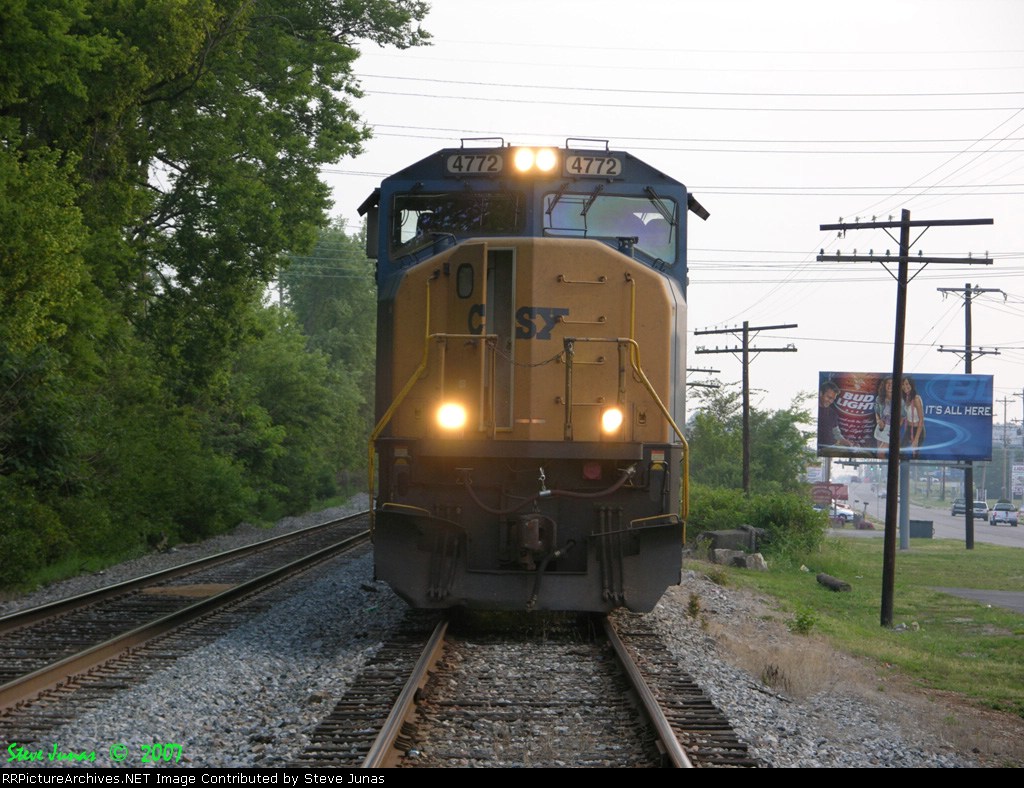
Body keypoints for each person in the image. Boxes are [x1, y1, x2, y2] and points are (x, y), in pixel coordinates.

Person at [817, 381, 850, 449]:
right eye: (829, 397)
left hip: (828, 450)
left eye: (833, 399)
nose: (831, 401)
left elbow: (836, 433)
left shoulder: (832, 413)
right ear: (820, 393)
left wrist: (844, 441)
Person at [901, 377, 925, 456]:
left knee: (915, 455)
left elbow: (921, 420)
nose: (905, 386)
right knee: (901, 451)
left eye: (907, 384)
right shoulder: (905, 398)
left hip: (917, 430)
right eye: (903, 384)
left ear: (911, 385)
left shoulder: (916, 399)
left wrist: (916, 439)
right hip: (908, 429)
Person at [874, 376, 893, 458]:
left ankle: (891, 470)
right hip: (880, 427)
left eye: (892, 383)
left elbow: (903, 416)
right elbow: (876, 411)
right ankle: (886, 469)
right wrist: (878, 421)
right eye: (888, 383)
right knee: (879, 454)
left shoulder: (899, 399)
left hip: (890, 429)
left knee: (880, 453)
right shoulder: (879, 398)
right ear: (884, 385)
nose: (890, 385)